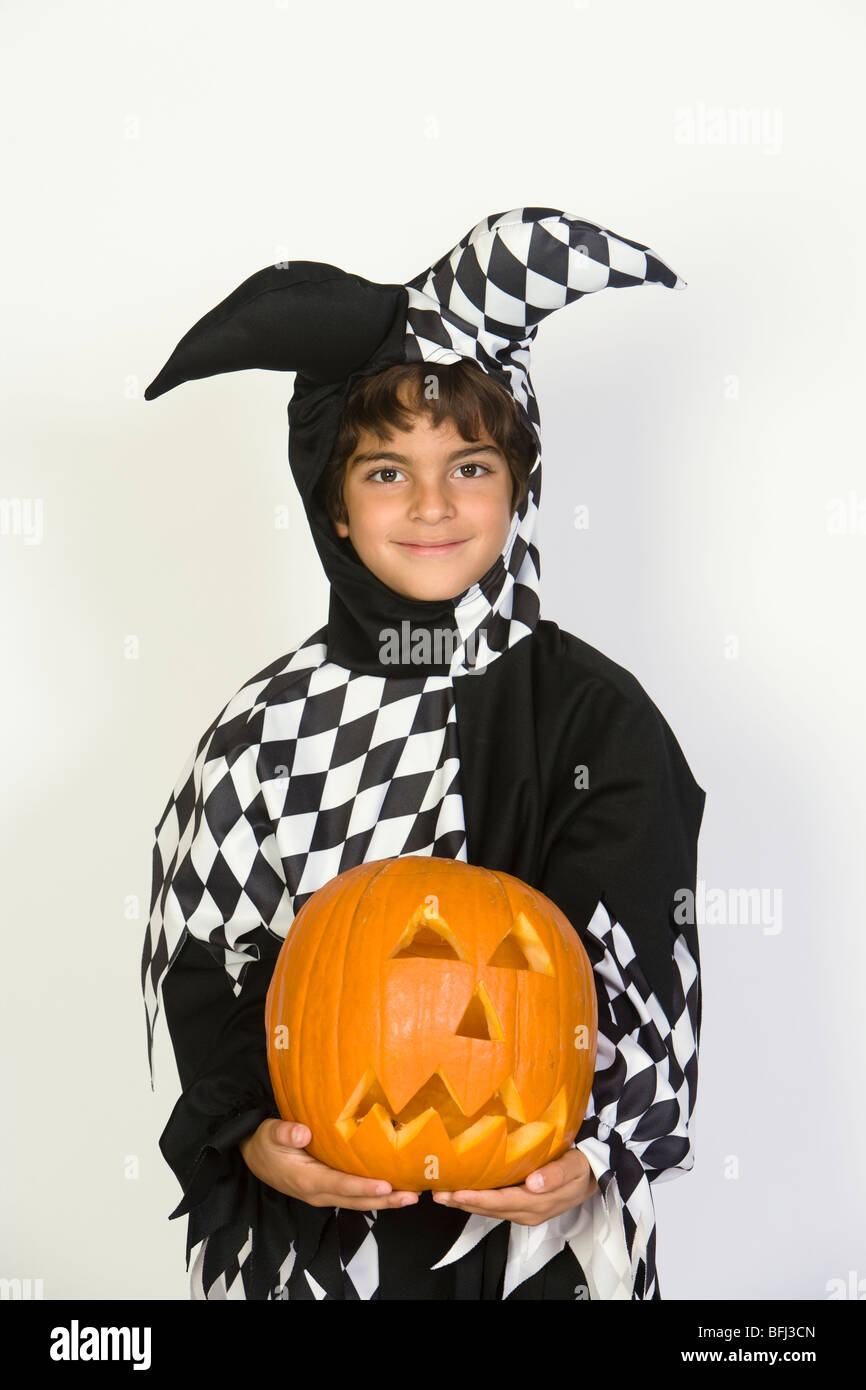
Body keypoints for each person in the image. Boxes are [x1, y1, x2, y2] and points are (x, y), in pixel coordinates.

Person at [142, 208, 707, 1300]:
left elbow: (653, 967)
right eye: (387, 472)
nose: (435, 506)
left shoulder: (599, 721)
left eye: (472, 464)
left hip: (534, 1235)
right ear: (334, 508)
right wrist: (251, 1134)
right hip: (320, 1246)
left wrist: (591, 1153)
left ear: (518, 486)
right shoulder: (262, 734)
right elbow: (207, 971)